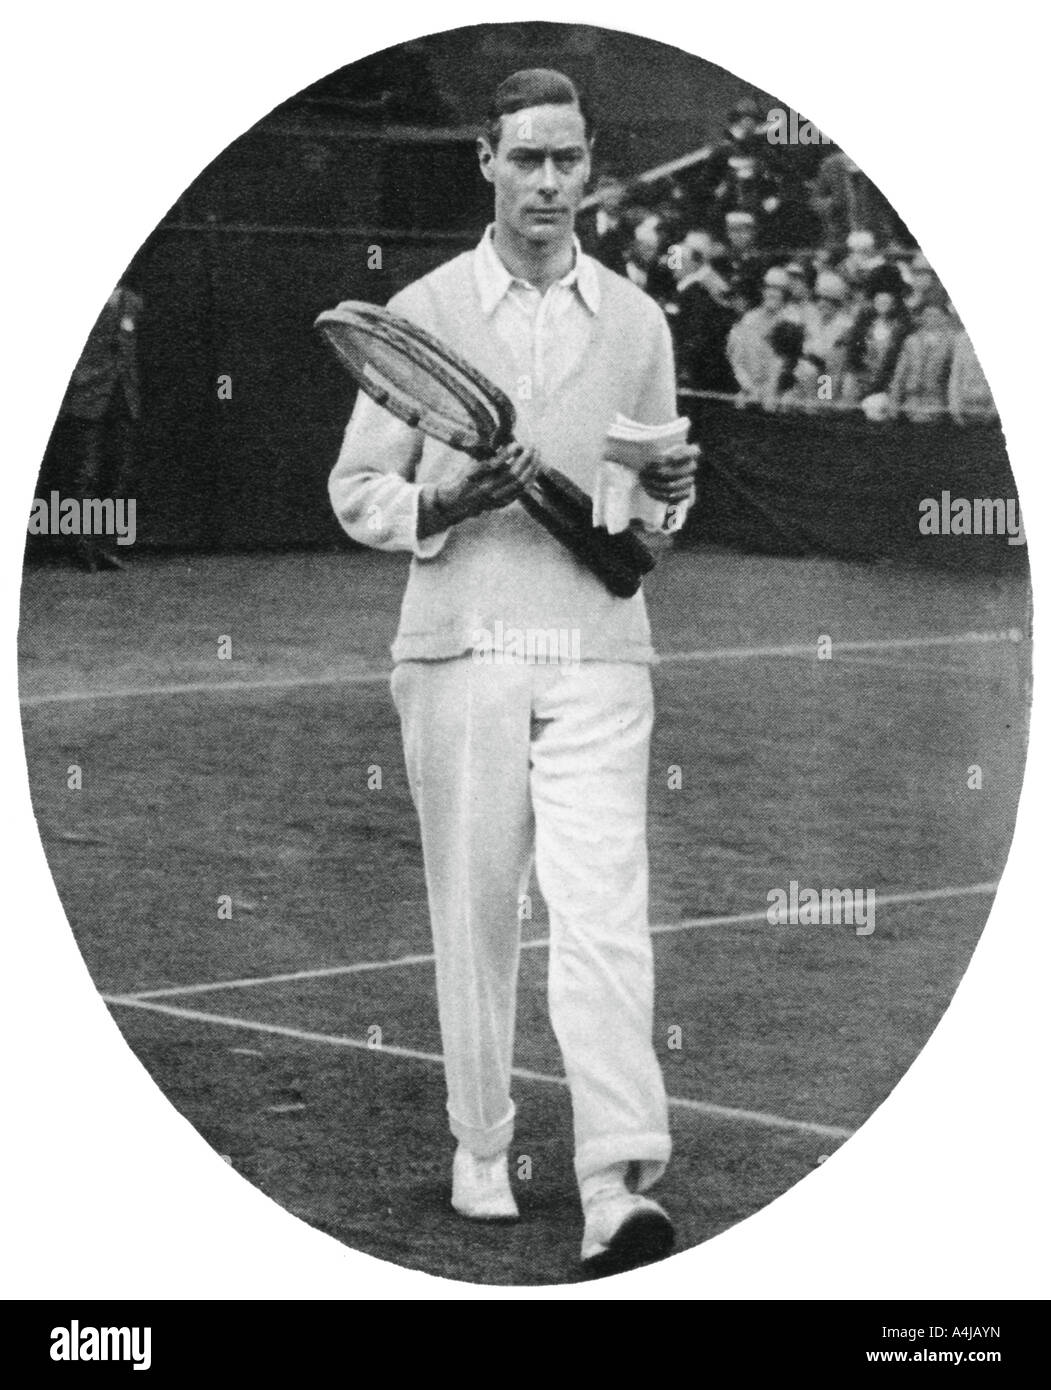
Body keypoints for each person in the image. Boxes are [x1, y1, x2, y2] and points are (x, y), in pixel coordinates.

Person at [327, 68, 699, 1278]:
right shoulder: (424, 305)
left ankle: (613, 1178)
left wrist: (667, 505)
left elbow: (640, 506)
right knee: (477, 913)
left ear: (590, 169)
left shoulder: (640, 321)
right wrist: (441, 499)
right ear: (484, 161)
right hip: (463, 647)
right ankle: (479, 1142)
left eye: (569, 160)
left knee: (603, 915)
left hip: (598, 648)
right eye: (527, 158)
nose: (548, 182)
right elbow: (357, 491)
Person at [57, 281, 143, 570]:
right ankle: (80, 547)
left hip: (122, 399)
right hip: (86, 397)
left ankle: (102, 545)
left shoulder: (132, 301)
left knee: (116, 475)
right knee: (85, 475)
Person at [726, 264, 791, 406]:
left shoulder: (791, 321)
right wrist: (749, 387)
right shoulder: (748, 319)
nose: (772, 293)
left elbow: (783, 363)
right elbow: (737, 361)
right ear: (763, 291)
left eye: (778, 290)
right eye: (769, 288)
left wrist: (769, 390)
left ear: (785, 294)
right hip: (749, 390)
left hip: (779, 392)